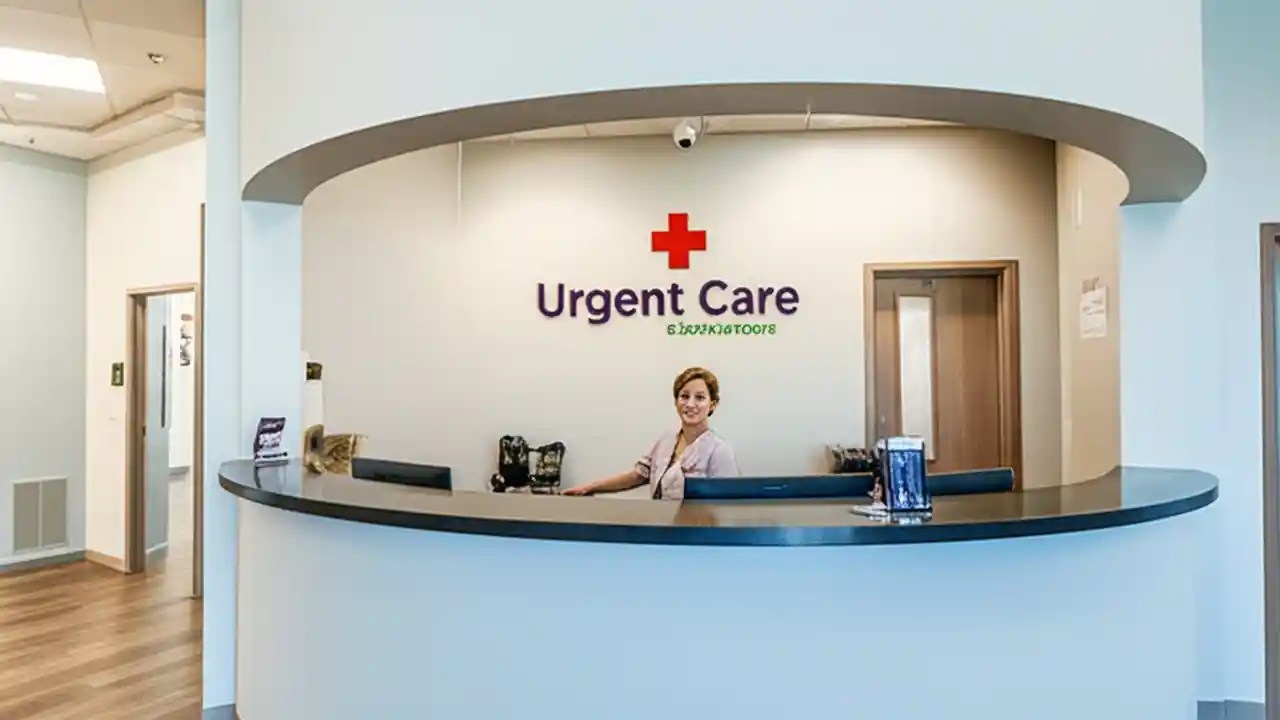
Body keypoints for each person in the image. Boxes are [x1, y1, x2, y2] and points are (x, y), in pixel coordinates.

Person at [564, 366, 740, 499]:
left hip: (698, 537)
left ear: (713, 404)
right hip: (662, 530)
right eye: (684, 396)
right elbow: (638, 476)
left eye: (700, 397)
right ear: (676, 401)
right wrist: (589, 488)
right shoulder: (667, 440)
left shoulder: (719, 451)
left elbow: (728, 504)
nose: (690, 404)